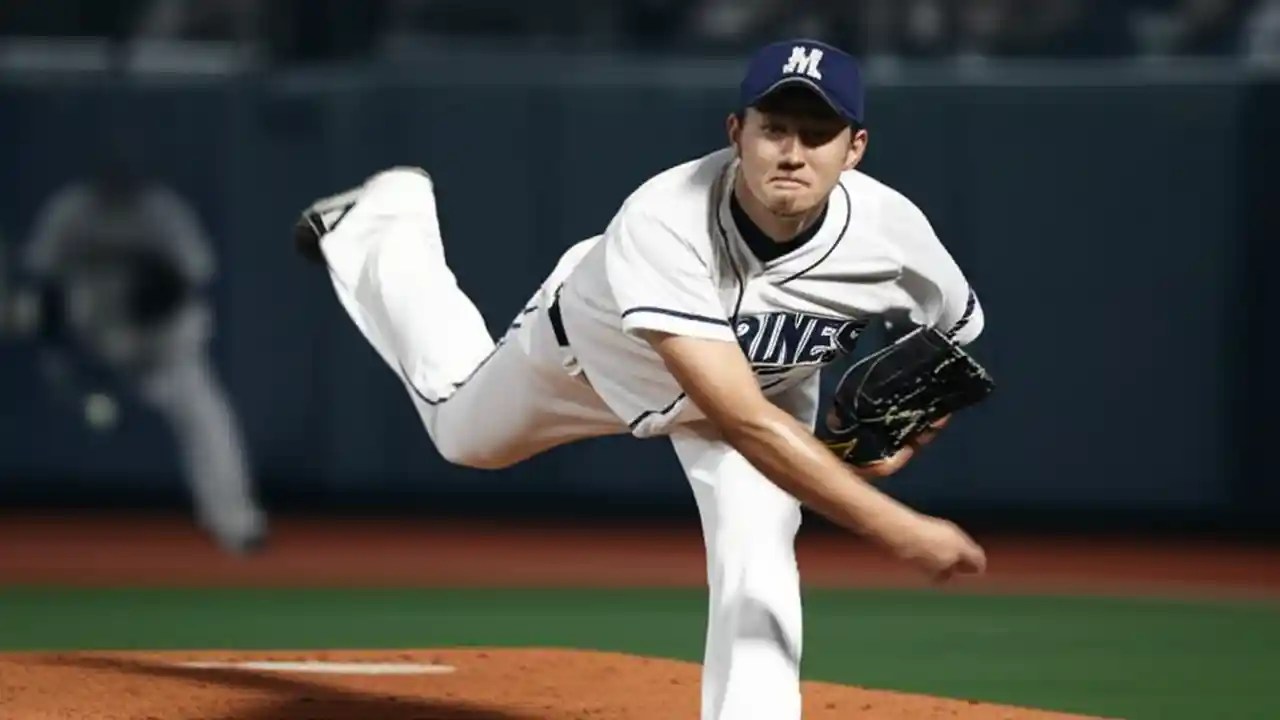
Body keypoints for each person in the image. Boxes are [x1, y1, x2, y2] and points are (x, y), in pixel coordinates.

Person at [295, 38, 987, 720]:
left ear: (855, 148)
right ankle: (385, 224)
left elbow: (954, 340)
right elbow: (742, 419)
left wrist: (910, 437)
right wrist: (898, 529)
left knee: (759, 537)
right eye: (774, 128)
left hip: (759, 396)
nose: (793, 152)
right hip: (591, 359)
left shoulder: (892, 235)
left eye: (817, 133)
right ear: (736, 132)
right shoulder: (666, 217)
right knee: (460, 435)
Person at [15, 154, 267, 555]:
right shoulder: (72, 210)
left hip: (164, 343)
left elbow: (188, 280)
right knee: (28, 314)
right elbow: (41, 283)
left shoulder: (161, 212)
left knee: (205, 418)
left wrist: (135, 327)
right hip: (92, 341)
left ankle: (237, 523)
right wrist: (62, 357)